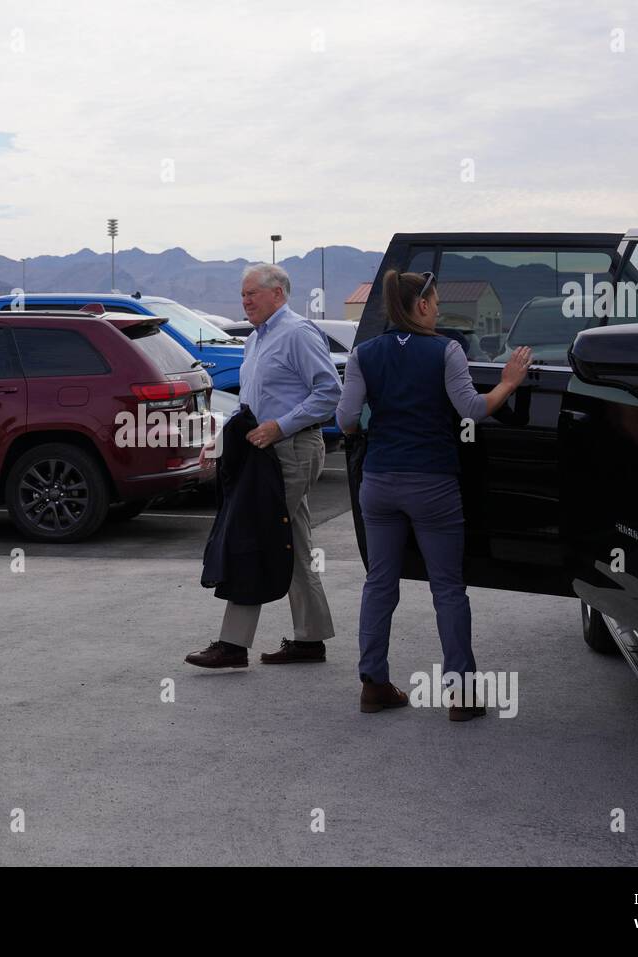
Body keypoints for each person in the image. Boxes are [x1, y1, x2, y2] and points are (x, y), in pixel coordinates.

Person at [336, 270, 531, 719]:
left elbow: (346, 418)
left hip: (379, 482)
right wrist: (509, 382)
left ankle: (374, 684)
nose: (440, 308)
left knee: (380, 584)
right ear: (421, 306)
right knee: (447, 589)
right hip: (433, 484)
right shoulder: (447, 350)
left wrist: (375, 419)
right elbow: (472, 408)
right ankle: (461, 695)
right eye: (437, 302)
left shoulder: (364, 353)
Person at [186, 263, 342, 668]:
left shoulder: (298, 334)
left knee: (252, 537)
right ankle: (310, 640)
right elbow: (251, 401)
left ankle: (233, 645)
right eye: (242, 294)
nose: (245, 300)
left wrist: (279, 426)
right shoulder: (256, 339)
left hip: (290, 450)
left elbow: (330, 393)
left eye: (252, 293)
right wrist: (230, 438)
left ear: (279, 294)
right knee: (294, 544)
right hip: (265, 453)